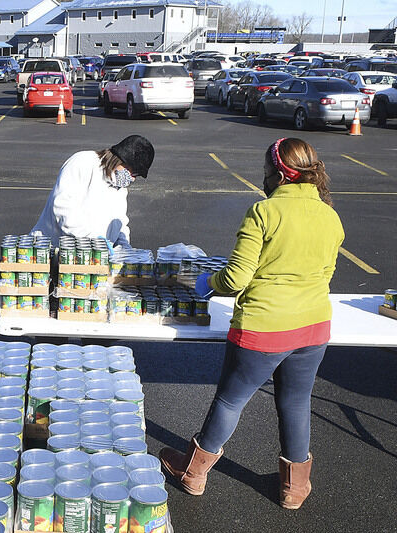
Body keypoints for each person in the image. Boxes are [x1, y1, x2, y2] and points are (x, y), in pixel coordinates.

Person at [159, 138, 345, 510]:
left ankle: (193, 473)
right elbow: (326, 274)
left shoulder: (264, 212)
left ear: (280, 176)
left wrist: (205, 283)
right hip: (313, 327)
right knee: (296, 403)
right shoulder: (330, 216)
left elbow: (236, 278)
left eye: (266, 173)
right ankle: (294, 489)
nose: (264, 180)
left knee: (230, 400)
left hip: (264, 327)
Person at [31, 135, 155, 247]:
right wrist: (94, 241)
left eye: (136, 176)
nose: (132, 178)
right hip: (51, 249)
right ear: (120, 160)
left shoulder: (120, 187)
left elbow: (120, 222)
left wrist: (124, 247)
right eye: (133, 172)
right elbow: (62, 208)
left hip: (93, 256)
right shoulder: (82, 163)